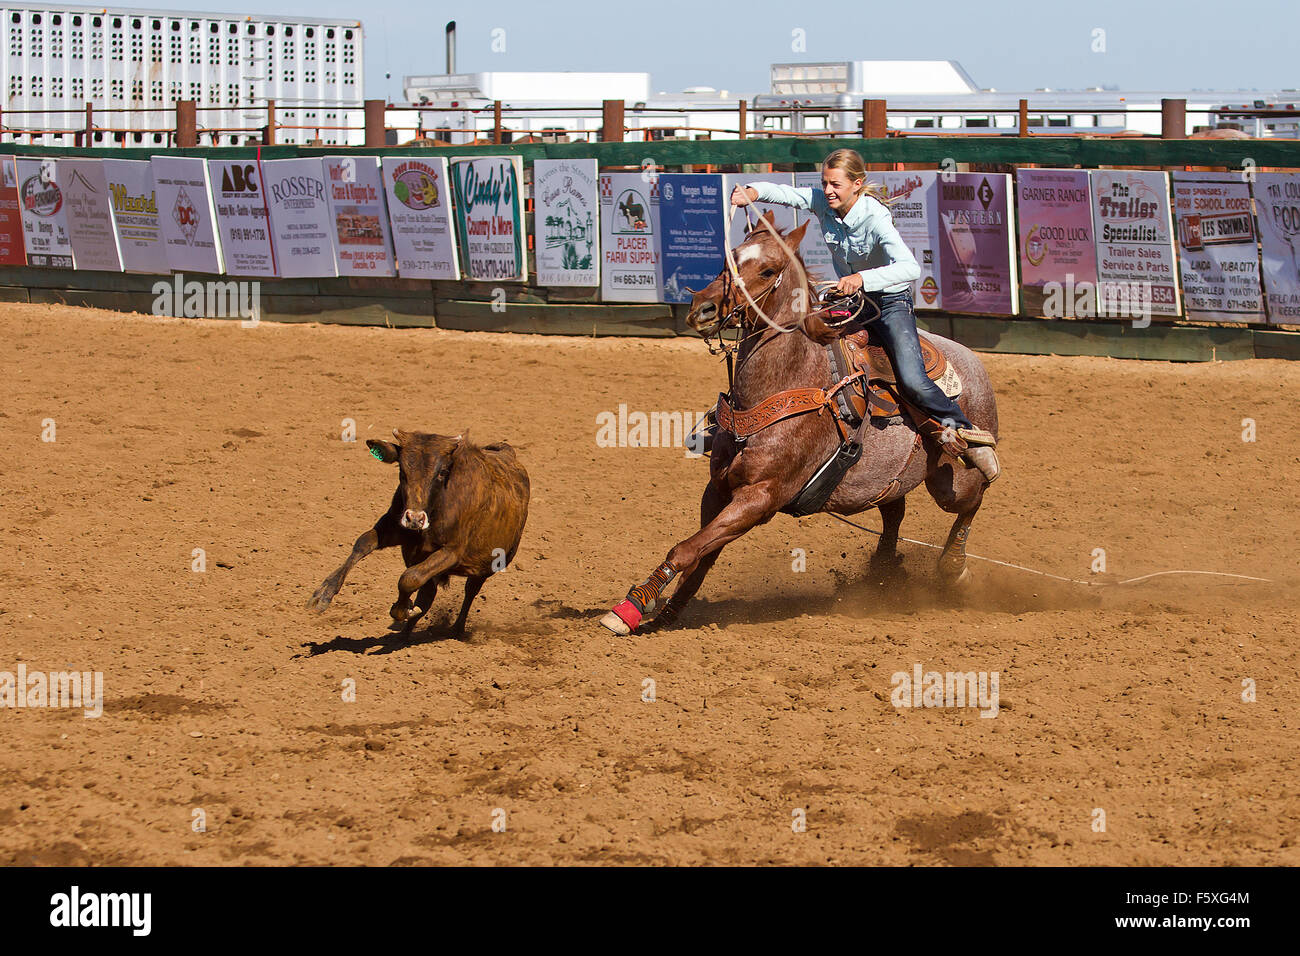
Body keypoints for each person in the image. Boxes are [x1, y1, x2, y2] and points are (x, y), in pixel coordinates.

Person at [729, 148, 999, 483]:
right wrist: (753, 192)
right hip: (850, 300)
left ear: (857, 184)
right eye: (825, 183)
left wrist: (862, 278)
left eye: (836, 184)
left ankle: (966, 432)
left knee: (913, 379)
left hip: (889, 304)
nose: (828, 190)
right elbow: (788, 194)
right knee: (801, 338)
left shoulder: (875, 218)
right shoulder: (822, 202)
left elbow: (910, 267)